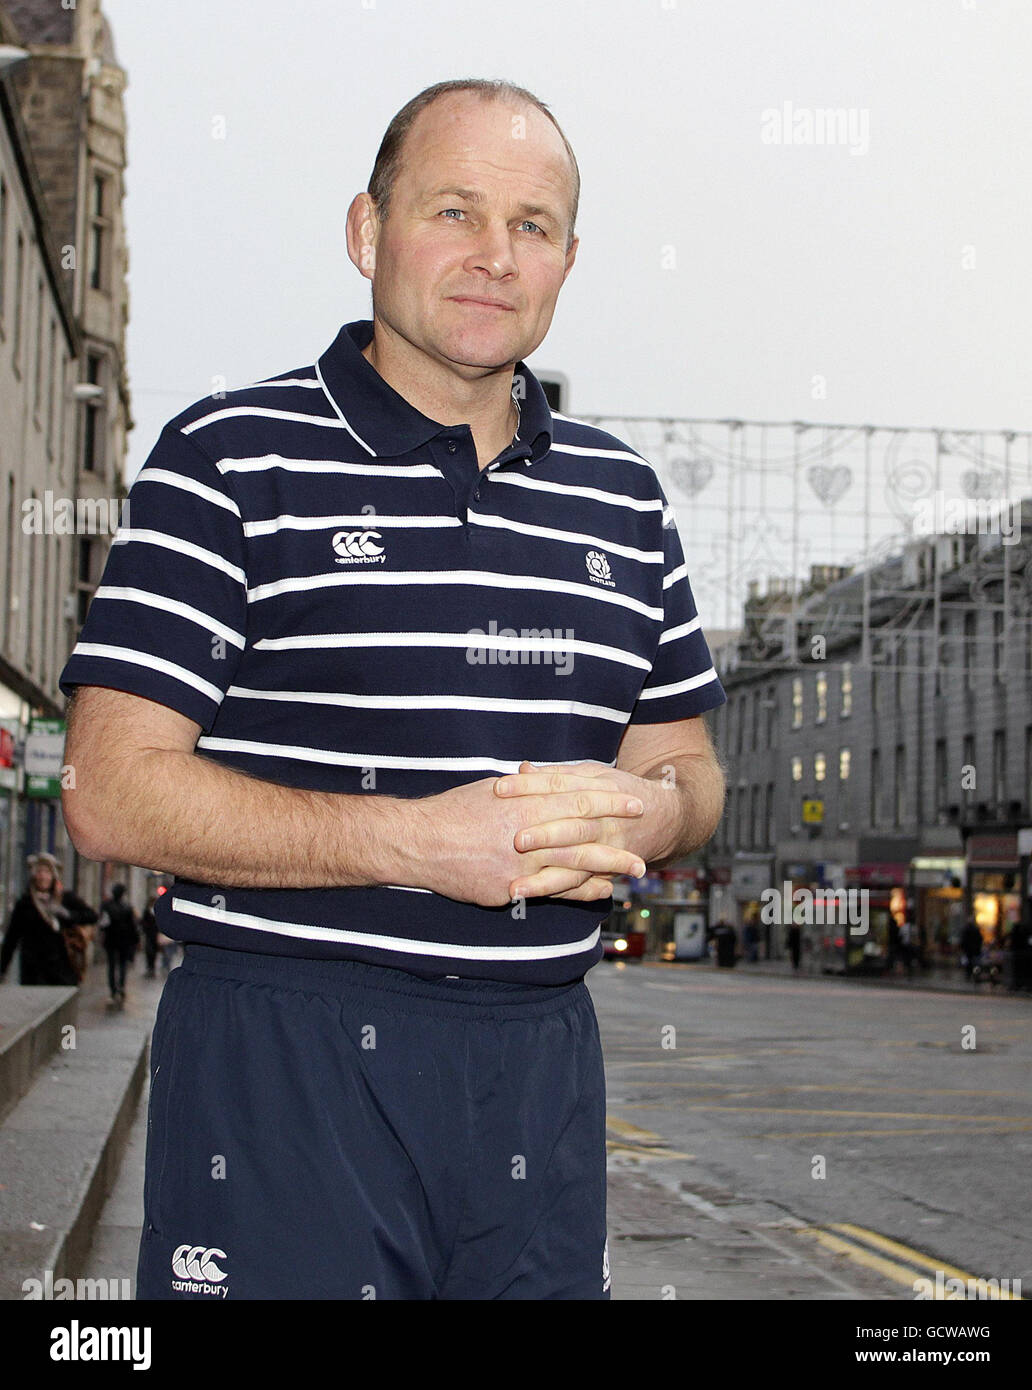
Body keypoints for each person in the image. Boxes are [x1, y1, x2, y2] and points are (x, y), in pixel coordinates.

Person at [58, 78, 726, 1301]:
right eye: (454, 211)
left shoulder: (623, 498)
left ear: (567, 261)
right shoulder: (225, 457)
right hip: (285, 1053)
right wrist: (420, 844)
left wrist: (653, 816)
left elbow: (681, 762)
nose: (492, 256)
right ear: (367, 231)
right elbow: (106, 792)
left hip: (541, 1062)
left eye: (531, 225)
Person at [0, 852, 79, 987]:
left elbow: (91, 915)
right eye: (39, 872)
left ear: (53, 876)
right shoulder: (25, 904)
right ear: (34, 876)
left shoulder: (64, 899)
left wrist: (67, 915)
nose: (43, 876)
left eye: (47, 872)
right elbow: (12, 938)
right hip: (33, 973)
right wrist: (2, 970)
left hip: (60, 971)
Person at [53, 874, 100, 983]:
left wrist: (69, 915)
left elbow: (92, 916)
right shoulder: (32, 901)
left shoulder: (67, 898)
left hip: (66, 955)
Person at [98, 883, 139, 1005]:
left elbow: (103, 923)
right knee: (122, 965)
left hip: (111, 940)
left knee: (112, 966)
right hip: (123, 941)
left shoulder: (106, 906)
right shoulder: (127, 907)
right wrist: (134, 941)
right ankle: (120, 986)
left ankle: (113, 989)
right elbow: (133, 926)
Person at [140, 894, 160, 979]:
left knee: (153, 952)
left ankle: (152, 968)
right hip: (149, 934)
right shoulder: (147, 911)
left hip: (155, 935)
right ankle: (149, 968)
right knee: (149, 952)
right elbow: (143, 922)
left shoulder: (157, 911)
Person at [960, 917, 983, 982]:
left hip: (968, 950)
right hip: (975, 950)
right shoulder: (976, 929)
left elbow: (963, 940)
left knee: (968, 964)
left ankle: (968, 976)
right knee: (975, 964)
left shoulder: (965, 929)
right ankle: (976, 976)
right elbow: (980, 939)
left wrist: (963, 948)